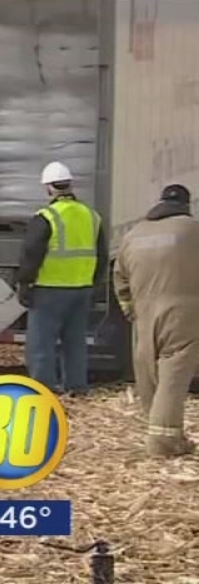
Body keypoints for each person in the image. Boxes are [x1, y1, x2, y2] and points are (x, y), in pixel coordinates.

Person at [114, 183, 199, 457]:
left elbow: (121, 277)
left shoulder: (133, 235)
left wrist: (131, 311)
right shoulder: (193, 230)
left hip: (144, 312)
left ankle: (159, 429)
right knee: (173, 371)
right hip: (183, 311)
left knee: (148, 373)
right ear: (186, 206)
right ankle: (163, 441)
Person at [15, 161, 108, 398]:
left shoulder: (46, 216)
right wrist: (95, 283)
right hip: (81, 289)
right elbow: (101, 253)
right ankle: (77, 387)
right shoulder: (91, 216)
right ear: (70, 185)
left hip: (50, 289)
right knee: (75, 342)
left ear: (48, 188)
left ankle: (44, 389)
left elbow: (31, 253)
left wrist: (24, 283)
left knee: (41, 344)